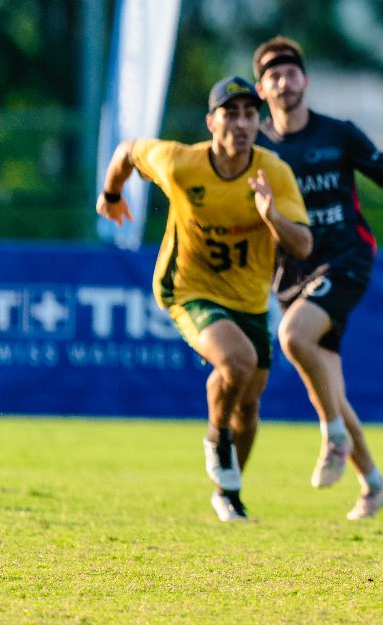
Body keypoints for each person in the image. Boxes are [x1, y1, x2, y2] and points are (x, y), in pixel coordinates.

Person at [95, 76, 313, 521]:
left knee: (250, 405)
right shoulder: (180, 163)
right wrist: (111, 195)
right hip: (187, 287)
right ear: (211, 122)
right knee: (237, 362)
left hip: (249, 299)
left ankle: (228, 491)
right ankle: (216, 437)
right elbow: (127, 152)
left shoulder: (273, 173)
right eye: (229, 114)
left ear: (260, 121)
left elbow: (304, 245)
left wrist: (270, 215)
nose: (240, 123)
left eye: (249, 114)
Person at [250, 36, 383, 521]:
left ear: (305, 81)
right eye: (273, 76)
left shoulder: (337, 134)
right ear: (261, 88)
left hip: (347, 258)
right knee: (329, 389)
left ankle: (331, 436)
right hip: (290, 273)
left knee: (292, 337)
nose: (284, 82)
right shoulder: (259, 148)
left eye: (291, 73)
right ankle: (373, 485)